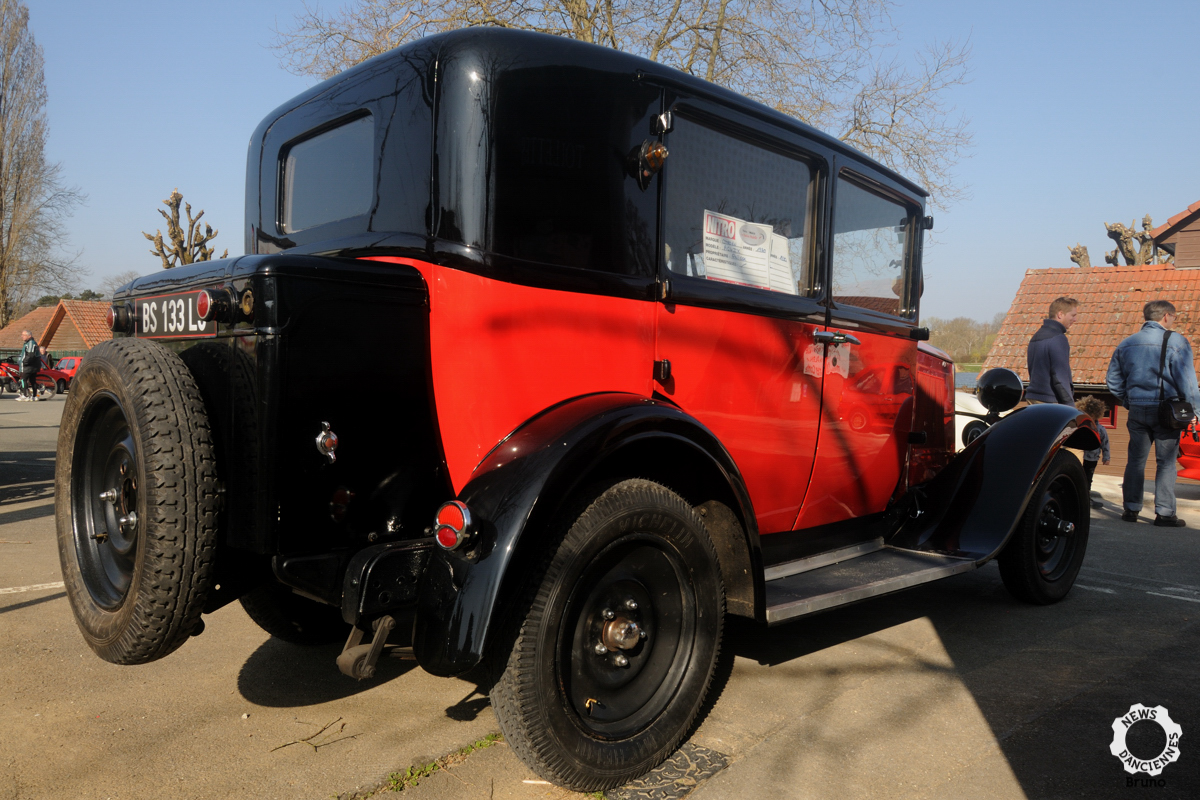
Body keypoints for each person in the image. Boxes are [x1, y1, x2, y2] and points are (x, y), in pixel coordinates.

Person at [1106, 300, 1200, 527]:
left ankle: (1131, 509)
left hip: (1137, 409)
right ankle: (1165, 513)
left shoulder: (1126, 343)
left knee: (1135, 461)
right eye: (1174, 318)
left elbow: (1113, 381)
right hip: (1167, 411)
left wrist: (1129, 400)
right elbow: (1188, 381)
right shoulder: (1176, 341)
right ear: (1166, 316)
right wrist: (1195, 410)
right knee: (1166, 463)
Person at [1026, 296, 1078, 405]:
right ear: (1060, 314)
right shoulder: (1058, 338)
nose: (1075, 319)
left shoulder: (1036, 337)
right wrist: (1070, 406)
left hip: (1032, 399)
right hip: (1049, 402)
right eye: (1072, 315)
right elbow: (1060, 377)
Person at [1074, 396, 1110, 509]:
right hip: (1079, 457)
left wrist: (1106, 456)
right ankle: (1077, 498)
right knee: (1077, 477)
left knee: (1088, 479)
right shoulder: (1078, 426)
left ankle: (1085, 499)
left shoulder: (1100, 429)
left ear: (1095, 415)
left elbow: (1105, 443)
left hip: (1092, 458)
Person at [17, 330, 40, 401]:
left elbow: (30, 355)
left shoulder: (30, 343)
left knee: (23, 379)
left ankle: (24, 395)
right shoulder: (29, 343)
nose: (22, 336)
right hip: (33, 365)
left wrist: (24, 362)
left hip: (29, 366)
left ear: (29, 336)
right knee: (33, 380)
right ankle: (34, 396)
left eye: (24, 335)